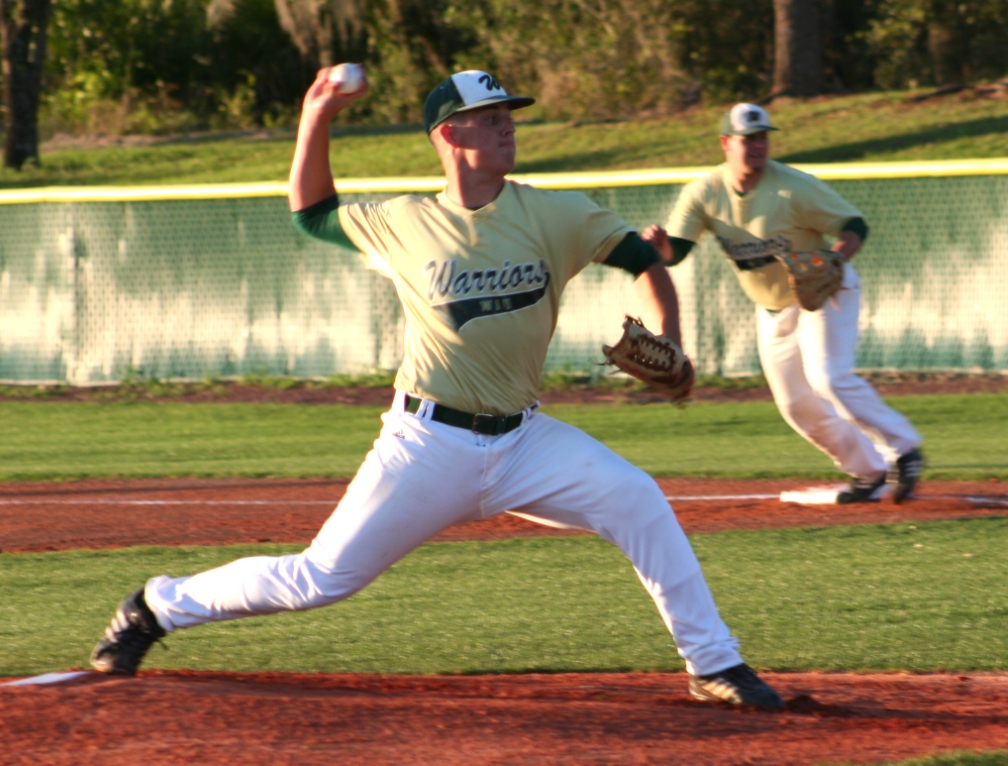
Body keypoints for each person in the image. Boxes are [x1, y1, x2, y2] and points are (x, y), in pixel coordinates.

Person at [89, 69, 783, 709]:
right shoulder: (404, 221)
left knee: (637, 499)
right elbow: (311, 212)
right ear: (450, 134)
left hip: (524, 441)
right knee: (319, 578)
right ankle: (156, 607)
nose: (508, 124)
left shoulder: (556, 215)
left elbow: (645, 262)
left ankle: (713, 663)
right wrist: (316, 113)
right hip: (427, 442)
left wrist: (671, 341)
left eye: (509, 114)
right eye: (491, 116)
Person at [643, 103, 924, 504]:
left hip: (822, 293)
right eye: (748, 139)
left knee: (828, 377)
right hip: (772, 308)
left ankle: (905, 449)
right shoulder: (704, 193)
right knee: (796, 405)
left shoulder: (793, 187)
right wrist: (660, 247)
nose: (758, 145)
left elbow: (853, 226)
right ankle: (868, 471)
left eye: (763, 137)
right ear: (726, 143)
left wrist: (835, 260)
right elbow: (677, 252)